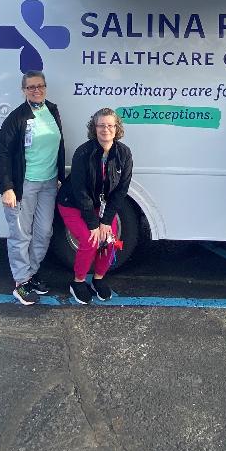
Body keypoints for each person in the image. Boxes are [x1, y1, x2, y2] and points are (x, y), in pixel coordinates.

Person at [0, 70, 66, 305]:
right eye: (31, 87)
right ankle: (21, 282)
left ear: (45, 87)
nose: (36, 90)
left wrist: (59, 175)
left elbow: (58, 145)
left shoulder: (52, 110)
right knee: (20, 234)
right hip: (23, 184)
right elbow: (4, 154)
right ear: (23, 90)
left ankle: (31, 274)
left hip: (49, 183)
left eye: (40, 86)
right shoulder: (16, 118)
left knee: (44, 232)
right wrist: (7, 187)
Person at [57, 107, 133, 304]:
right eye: (101, 125)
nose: (105, 129)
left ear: (117, 128)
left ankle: (98, 279)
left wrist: (106, 221)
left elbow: (121, 190)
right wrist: (93, 224)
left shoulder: (124, 153)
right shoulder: (83, 152)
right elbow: (80, 190)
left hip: (101, 206)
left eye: (110, 125)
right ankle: (78, 281)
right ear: (94, 128)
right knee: (91, 240)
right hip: (73, 203)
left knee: (110, 240)